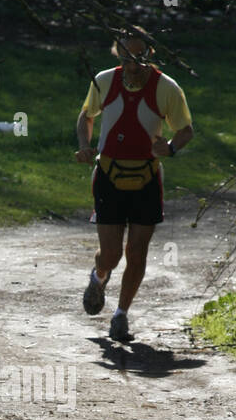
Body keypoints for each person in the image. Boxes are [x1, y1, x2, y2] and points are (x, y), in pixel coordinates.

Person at [75, 25, 193, 341]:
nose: (134, 64)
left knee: (137, 252)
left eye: (140, 57)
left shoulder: (166, 88)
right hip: (108, 178)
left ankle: (121, 315)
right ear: (119, 55)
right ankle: (99, 277)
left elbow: (185, 130)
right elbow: (85, 117)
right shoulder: (103, 81)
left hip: (147, 180)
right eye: (127, 57)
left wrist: (169, 148)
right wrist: (85, 146)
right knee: (111, 255)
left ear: (149, 55)